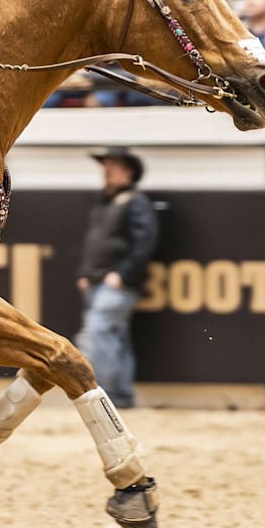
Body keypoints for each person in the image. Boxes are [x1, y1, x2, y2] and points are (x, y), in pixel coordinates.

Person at [75, 147, 158, 410]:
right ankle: (120, 396)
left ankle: (108, 394)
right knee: (112, 336)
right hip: (100, 280)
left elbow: (144, 242)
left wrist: (123, 274)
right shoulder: (107, 202)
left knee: (99, 331)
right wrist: (87, 274)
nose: (107, 171)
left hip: (116, 283)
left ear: (128, 172)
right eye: (106, 166)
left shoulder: (135, 202)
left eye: (113, 166)